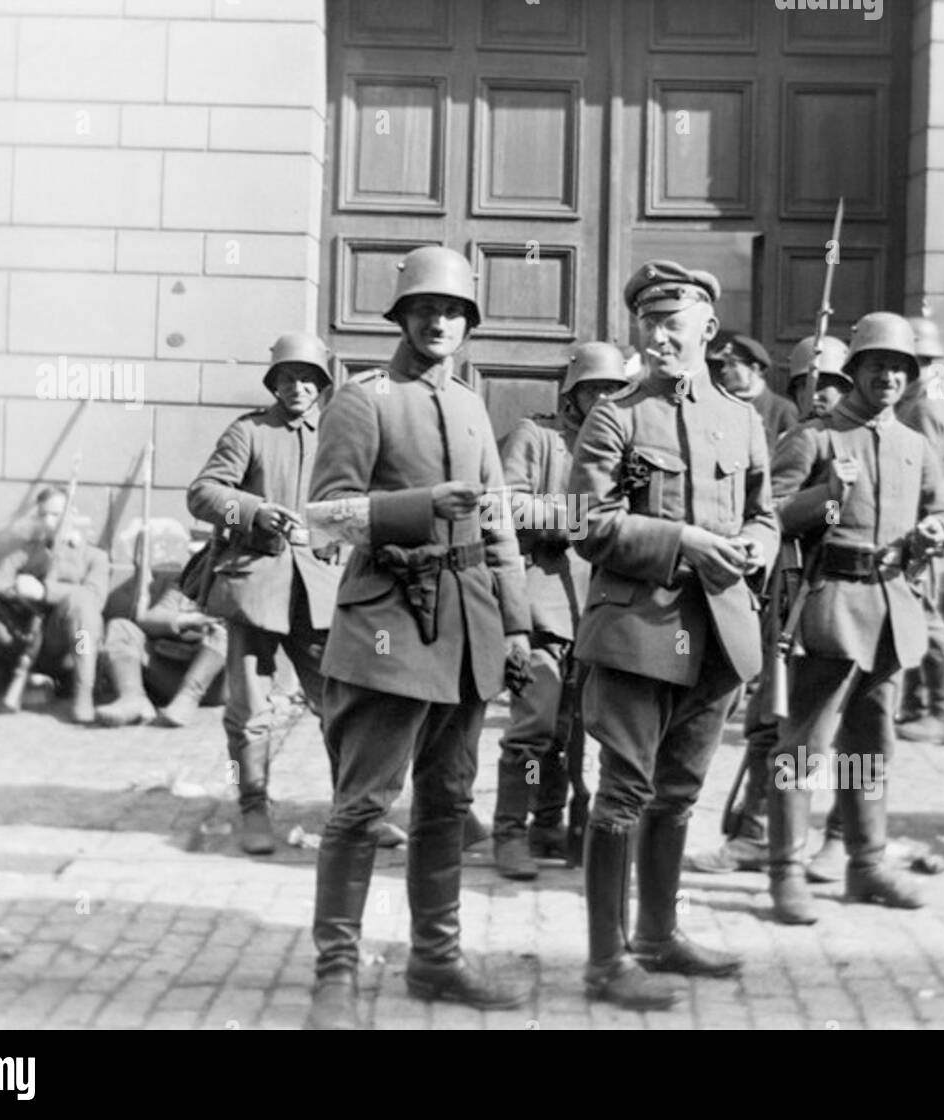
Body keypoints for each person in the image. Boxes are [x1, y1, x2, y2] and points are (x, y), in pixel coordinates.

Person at [305, 246, 532, 1029]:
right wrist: (422, 504)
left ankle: (435, 960)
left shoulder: (471, 406)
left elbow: (497, 522)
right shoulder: (362, 400)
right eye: (425, 309)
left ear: (469, 325)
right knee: (363, 808)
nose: (440, 321)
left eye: (455, 311)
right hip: (389, 623)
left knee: (448, 803)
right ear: (401, 317)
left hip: (468, 630)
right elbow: (325, 515)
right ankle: (335, 971)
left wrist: (520, 624)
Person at [569, 259, 779, 1009]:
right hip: (637, 631)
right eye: (647, 323)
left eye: (671, 322)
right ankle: (606, 960)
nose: (656, 336)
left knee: (679, 793)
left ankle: (658, 936)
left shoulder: (741, 417)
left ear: (707, 329)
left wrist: (761, 542)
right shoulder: (616, 416)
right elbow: (584, 523)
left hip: (718, 633)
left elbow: (764, 510)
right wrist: (680, 539)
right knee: (623, 793)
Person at [766, 311, 944, 925]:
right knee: (803, 749)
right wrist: (826, 497)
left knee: (869, 748)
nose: (890, 379)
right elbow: (768, 515)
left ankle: (866, 864)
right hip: (830, 608)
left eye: (901, 369)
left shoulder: (916, 446)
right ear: (854, 371)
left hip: (893, 609)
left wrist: (938, 531)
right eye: (879, 366)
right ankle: (786, 872)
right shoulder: (816, 437)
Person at [686, 333, 851, 876]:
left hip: (862, 604)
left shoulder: (878, 439)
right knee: (773, 721)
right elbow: (772, 515)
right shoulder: (805, 439)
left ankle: (844, 839)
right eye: (812, 384)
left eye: (835, 384)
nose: (823, 394)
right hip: (800, 597)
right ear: (798, 389)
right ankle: (758, 832)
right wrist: (825, 499)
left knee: (860, 733)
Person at [186, 332, 343, 855]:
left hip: (319, 590)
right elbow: (203, 494)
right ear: (273, 382)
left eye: (307, 378)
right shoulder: (249, 431)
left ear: (322, 384)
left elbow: (360, 498)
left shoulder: (340, 435)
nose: (297, 387)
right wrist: (252, 512)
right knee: (250, 708)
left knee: (340, 705)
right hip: (255, 586)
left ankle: (355, 811)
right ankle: (253, 808)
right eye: (287, 377)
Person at [491, 341, 632, 880]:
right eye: (592, 388)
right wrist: (580, 520)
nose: (602, 399)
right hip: (542, 602)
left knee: (576, 731)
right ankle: (508, 830)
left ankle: (549, 823)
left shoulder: (624, 445)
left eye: (612, 390)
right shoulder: (538, 436)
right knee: (535, 723)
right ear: (571, 392)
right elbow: (503, 504)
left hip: (599, 607)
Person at [0, 486, 107, 724]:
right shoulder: (28, 550)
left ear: (72, 515)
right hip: (21, 636)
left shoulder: (95, 556)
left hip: (66, 643)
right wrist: (17, 584)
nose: (48, 521)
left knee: (83, 604)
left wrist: (44, 590)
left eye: (56, 515)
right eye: (42, 515)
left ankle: (83, 693)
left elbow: (95, 597)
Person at [895, 316, 944, 743]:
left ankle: (942, 712)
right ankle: (919, 706)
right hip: (916, 521)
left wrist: (918, 529)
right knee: (913, 616)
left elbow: (925, 473)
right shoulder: (917, 398)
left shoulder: (923, 405)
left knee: (928, 619)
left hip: (920, 523)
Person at [94, 524, 227, 728]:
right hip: (170, 670)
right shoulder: (185, 584)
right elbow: (150, 618)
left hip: (212, 684)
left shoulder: (239, 588)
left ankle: (187, 697)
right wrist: (184, 620)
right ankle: (132, 698)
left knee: (227, 632)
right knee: (121, 627)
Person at [713, 332, 798, 445]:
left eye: (732, 364)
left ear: (754, 369)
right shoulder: (719, 405)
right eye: (725, 364)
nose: (724, 370)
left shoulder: (781, 410)